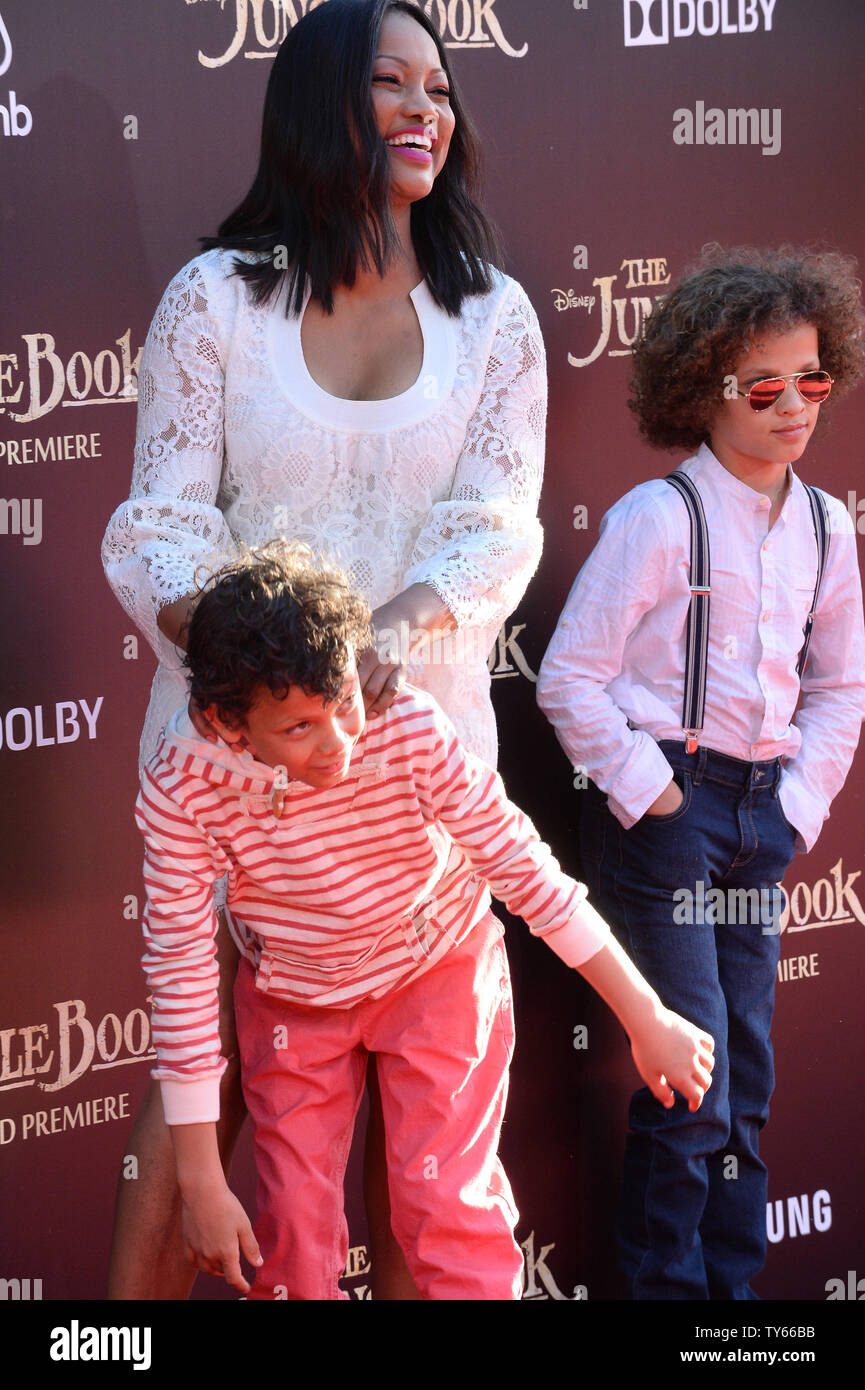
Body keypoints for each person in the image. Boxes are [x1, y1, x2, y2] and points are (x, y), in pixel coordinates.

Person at [102, 0, 547, 1298]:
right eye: (388, 85)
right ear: (315, 106)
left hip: (414, 767)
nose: (424, 110)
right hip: (240, 757)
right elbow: (162, 528)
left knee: (428, 1150)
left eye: (440, 89)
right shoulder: (215, 300)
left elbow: (494, 527)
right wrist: (269, 675)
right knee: (209, 1088)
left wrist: (391, 637)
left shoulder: (497, 319)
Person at [135, 542, 715, 1300]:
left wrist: (645, 1015)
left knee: (448, 1213)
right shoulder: (183, 780)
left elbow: (522, 867)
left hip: (437, 965)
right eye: (299, 728)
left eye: (342, 701)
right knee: (296, 1246)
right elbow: (179, 973)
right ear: (225, 722)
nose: (339, 741)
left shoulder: (403, 723)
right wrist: (202, 1186)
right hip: (293, 996)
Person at [536, 244, 865, 1300]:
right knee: (691, 1088)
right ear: (701, 387)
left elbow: (841, 686)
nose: (791, 406)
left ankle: (735, 1303)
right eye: (761, 387)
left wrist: (800, 802)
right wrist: (656, 790)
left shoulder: (825, 524)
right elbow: (569, 679)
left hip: (762, 815)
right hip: (671, 817)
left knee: (747, 1081)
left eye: (809, 380)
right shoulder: (656, 518)